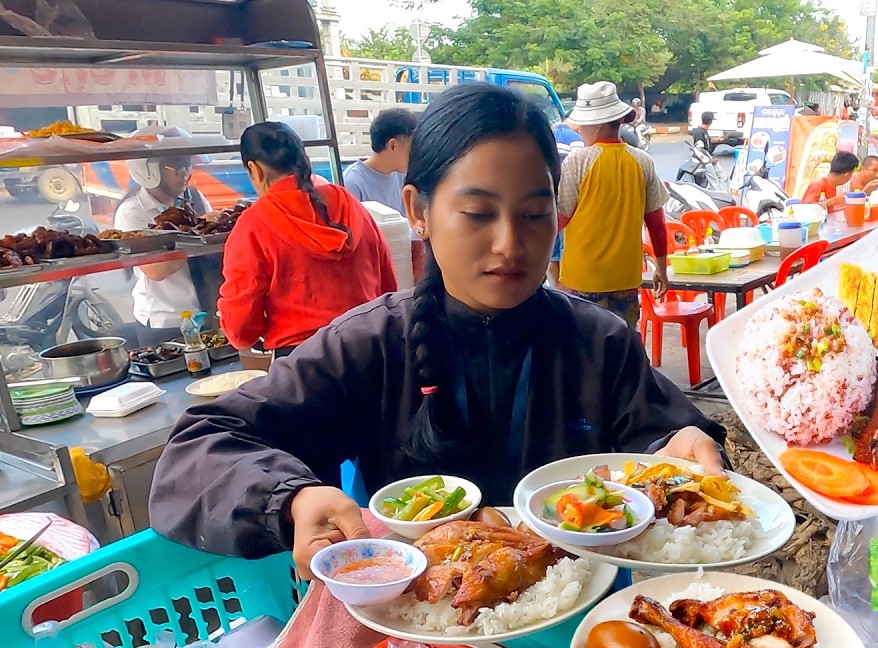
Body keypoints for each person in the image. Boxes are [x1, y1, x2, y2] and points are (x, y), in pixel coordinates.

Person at [148, 84, 727, 572]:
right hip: (413, 622)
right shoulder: (370, 344)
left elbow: (662, 440)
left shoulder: (600, 342)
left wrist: (676, 450)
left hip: (581, 618)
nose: (510, 243)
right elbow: (199, 447)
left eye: (534, 213)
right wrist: (291, 499)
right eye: (477, 213)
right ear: (418, 211)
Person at [218, 121, 397, 357]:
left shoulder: (254, 224)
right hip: (371, 349)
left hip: (302, 364)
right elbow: (388, 286)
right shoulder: (351, 205)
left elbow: (240, 328)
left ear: (255, 170)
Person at [558, 81, 670, 328]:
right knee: (624, 347)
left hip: (582, 279)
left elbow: (559, 218)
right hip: (626, 280)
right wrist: (661, 267)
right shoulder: (642, 161)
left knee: (586, 352)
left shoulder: (577, 161)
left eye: (583, 126)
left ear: (596, 125)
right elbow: (656, 222)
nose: (580, 131)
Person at [115, 129, 214, 346]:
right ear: (149, 171)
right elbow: (156, 270)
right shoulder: (133, 212)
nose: (185, 173)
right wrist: (196, 231)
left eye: (188, 165)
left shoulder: (194, 197)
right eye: (177, 167)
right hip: (166, 321)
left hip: (205, 312)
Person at [342, 108, 416, 215]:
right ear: (392, 145)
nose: (415, 154)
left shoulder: (402, 177)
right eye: (411, 148)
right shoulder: (352, 183)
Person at [548, 119, 585, 289]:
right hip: (571, 204)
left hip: (550, 201)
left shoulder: (548, 136)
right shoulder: (578, 139)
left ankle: (557, 291)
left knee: (552, 257)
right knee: (565, 255)